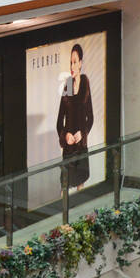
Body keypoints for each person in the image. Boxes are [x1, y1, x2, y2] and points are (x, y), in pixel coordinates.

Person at [56, 43, 95, 188]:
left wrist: (82, 133)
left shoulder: (85, 83)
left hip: (81, 146)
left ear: (80, 63)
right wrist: (66, 135)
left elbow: (90, 118)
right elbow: (60, 121)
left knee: (80, 184)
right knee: (65, 185)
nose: (72, 66)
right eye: (70, 62)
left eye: (74, 62)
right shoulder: (68, 85)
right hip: (69, 146)